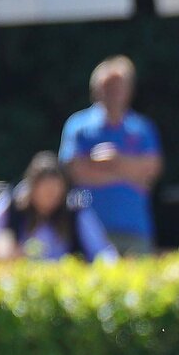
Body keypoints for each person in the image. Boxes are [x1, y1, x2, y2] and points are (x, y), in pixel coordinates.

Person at [61, 56, 163, 255]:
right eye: (107, 87)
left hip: (135, 229)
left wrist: (113, 162)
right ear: (95, 90)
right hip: (88, 229)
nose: (113, 93)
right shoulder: (78, 126)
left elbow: (152, 170)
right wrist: (130, 175)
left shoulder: (142, 128)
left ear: (129, 90)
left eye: (118, 87)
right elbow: (75, 172)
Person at [0, 153, 117, 263]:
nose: (50, 198)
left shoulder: (75, 210)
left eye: (55, 193)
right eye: (46, 192)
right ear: (32, 189)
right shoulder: (11, 204)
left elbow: (103, 253)